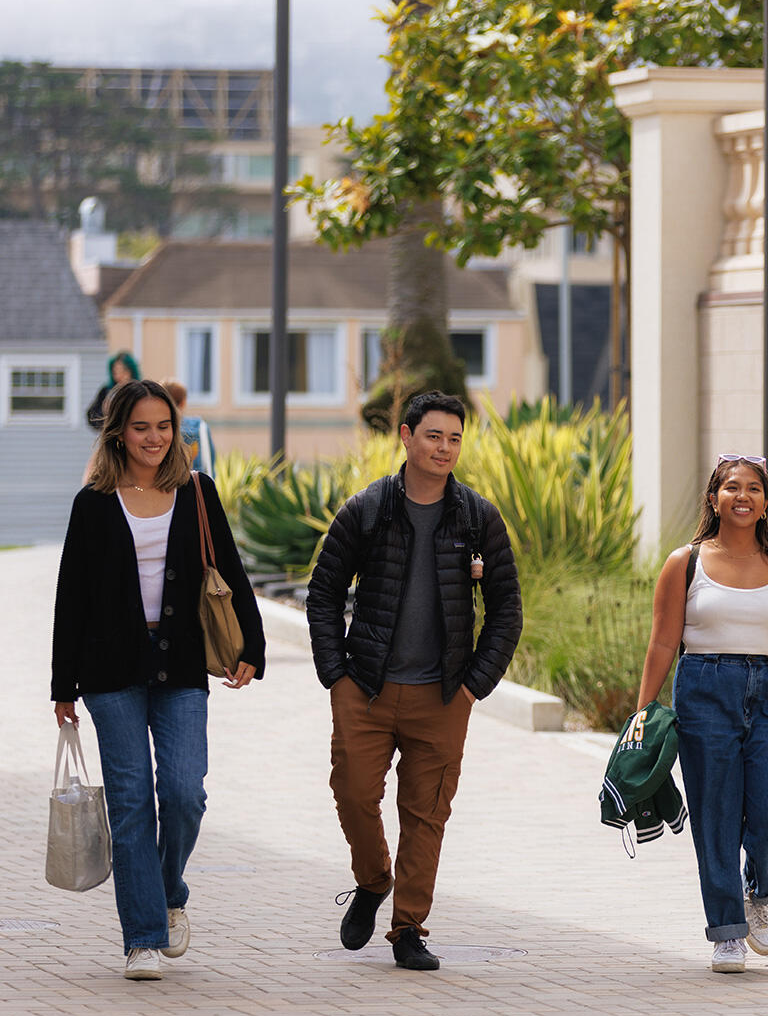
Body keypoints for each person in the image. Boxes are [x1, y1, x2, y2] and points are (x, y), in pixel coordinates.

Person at [51, 379, 265, 982]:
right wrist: (62, 685)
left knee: (182, 791)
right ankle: (142, 937)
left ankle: (169, 889)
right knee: (130, 802)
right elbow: (72, 597)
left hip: (181, 664)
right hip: (108, 670)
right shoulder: (93, 502)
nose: (154, 437)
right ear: (118, 430)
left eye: (164, 426)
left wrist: (253, 646)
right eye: (141, 427)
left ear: (177, 430)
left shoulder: (197, 492)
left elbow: (231, 569)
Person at [306, 391, 522, 971]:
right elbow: (324, 592)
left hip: (444, 695)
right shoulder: (368, 508)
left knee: (426, 815)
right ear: (406, 436)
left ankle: (408, 929)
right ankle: (373, 880)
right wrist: (336, 675)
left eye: (454, 438)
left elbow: (507, 610)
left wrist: (475, 684)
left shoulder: (477, 516)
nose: (445, 448)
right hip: (366, 688)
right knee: (352, 793)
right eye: (434, 436)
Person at [635, 453, 768, 974]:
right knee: (715, 813)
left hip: (767, 690)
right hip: (703, 688)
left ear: (767, 503)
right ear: (713, 498)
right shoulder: (686, 562)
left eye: (753, 489)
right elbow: (662, 642)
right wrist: (643, 712)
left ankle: (759, 892)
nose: (742, 496)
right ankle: (726, 930)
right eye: (731, 487)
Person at [162, 378, 216, 476]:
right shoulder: (200, 426)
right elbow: (209, 464)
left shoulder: (159, 429)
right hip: (196, 486)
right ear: (183, 402)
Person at [86, 350, 140, 430]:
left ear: (131, 371)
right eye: (115, 372)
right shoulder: (106, 391)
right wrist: (105, 417)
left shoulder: (139, 391)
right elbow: (92, 416)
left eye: (123, 371)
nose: (119, 376)